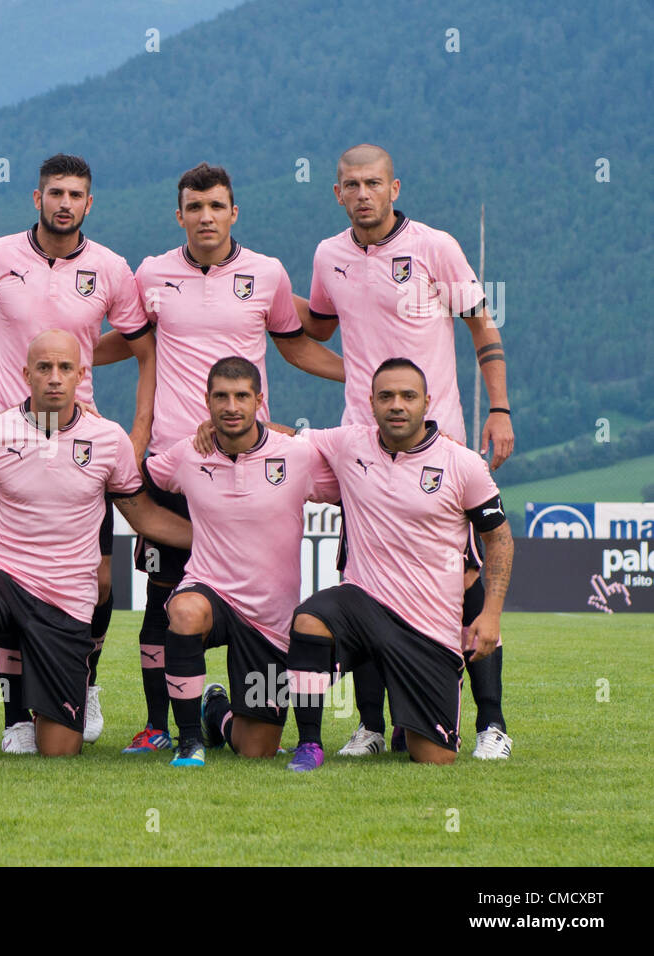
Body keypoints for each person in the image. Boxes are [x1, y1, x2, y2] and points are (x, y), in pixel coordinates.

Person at [111, 162, 345, 755]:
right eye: (194, 206)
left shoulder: (264, 274)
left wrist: (361, 374)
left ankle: (219, 709)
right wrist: (58, 353)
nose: (205, 216)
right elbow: (130, 340)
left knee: (256, 737)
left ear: (234, 211)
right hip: (177, 459)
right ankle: (160, 725)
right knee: (166, 600)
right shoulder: (152, 273)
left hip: (247, 460)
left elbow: (294, 345)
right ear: (179, 214)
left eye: (216, 206)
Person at [303, 144, 516, 759]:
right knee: (365, 583)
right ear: (337, 193)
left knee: (468, 582)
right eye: (350, 185)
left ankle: (491, 725)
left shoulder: (436, 246)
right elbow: (315, 327)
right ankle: (371, 726)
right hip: (363, 451)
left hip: (440, 443)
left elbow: (481, 326)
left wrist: (498, 409)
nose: (362, 193)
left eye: (373, 183)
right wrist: (259, 303)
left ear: (395, 187)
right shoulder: (328, 255)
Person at [0, 330, 192, 763]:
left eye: (63, 368)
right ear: (26, 375)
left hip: (67, 595)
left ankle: (45, 707)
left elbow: (144, 516)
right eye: (43, 368)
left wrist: (216, 538)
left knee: (60, 750)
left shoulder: (109, 440)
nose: (54, 378)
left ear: (81, 375)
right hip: (4, 575)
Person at [0, 153, 155, 743]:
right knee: (9, 577)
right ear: (35, 198)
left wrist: (137, 433)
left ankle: (81, 685)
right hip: (12, 443)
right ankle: (13, 718)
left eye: (76, 194)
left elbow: (144, 351)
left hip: (82, 444)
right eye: (55, 192)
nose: (65, 202)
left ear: (91, 204)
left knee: (102, 578)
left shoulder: (112, 268)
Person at [282, 358, 513, 771]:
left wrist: (491, 614)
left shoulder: (461, 464)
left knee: (435, 758)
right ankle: (310, 744)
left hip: (429, 628)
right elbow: (286, 439)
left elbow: (499, 539)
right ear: (370, 403)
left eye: (408, 396)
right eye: (386, 396)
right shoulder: (348, 443)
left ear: (427, 401)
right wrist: (233, 429)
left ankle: (462, 720)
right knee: (309, 619)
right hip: (364, 604)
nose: (397, 405)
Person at [147, 356, 339, 767]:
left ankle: (215, 712)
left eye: (240, 396)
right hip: (210, 591)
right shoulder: (186, 454)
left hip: (269, 620)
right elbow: (136, 478)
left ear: (259, 401)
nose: (231, 406)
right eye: (221, 396)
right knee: (183, 611)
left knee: (257, 749)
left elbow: (358, 478)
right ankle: (189, 741)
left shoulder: (296, 456)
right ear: (207, 401)